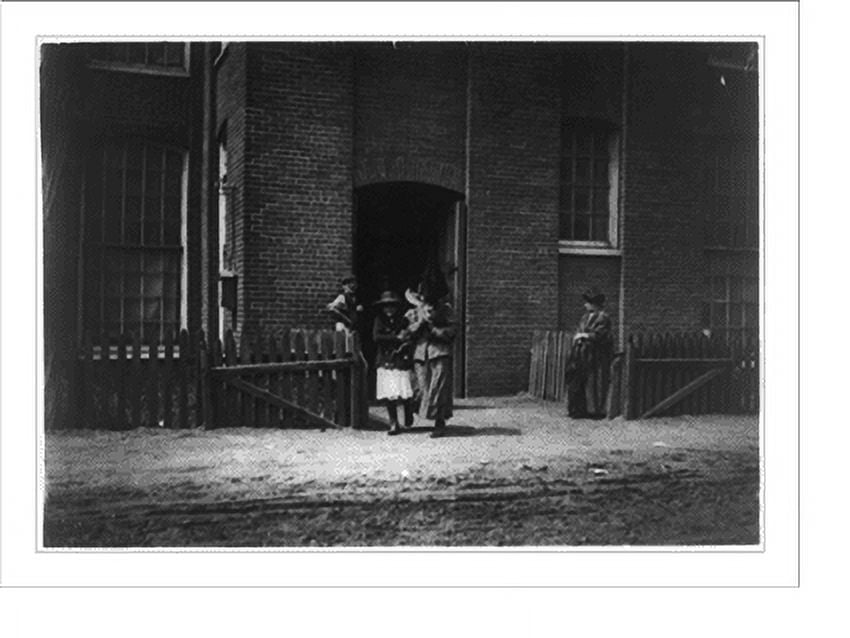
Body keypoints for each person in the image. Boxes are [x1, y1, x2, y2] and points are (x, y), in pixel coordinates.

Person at [409, 291, 456, 438]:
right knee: (422, 389)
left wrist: (434, 328)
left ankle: (439, 422)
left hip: (440, 353)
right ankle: (415, 410)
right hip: (421, 355)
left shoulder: (446, 311)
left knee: (439, 389)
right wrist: (420, 324)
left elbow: (452, 332)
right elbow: (408, 331)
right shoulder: (414, 312)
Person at [566, 288, 614, 419]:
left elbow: (601, 334)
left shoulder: (603, 317)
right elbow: (579, 331)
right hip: (582, 354)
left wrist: (585, 335)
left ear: (594, 303)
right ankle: (578, 410)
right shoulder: (585, 317)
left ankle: (596, 411)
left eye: (587, 302)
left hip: (596, 355)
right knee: (579, 382)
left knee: (595, 382)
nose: (584, 305)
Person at [372, 290, 415, 435]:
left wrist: (403, 340)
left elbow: (408, 337)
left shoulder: (402, 321)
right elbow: (377, 337)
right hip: (385, 359)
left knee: (403, 390)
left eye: (392, 306)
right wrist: (395, 338)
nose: (389, 309)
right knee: (389, 393)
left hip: (399, 359)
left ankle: (408, 412)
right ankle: (393, 422)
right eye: (386, 307)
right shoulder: (379, 320)